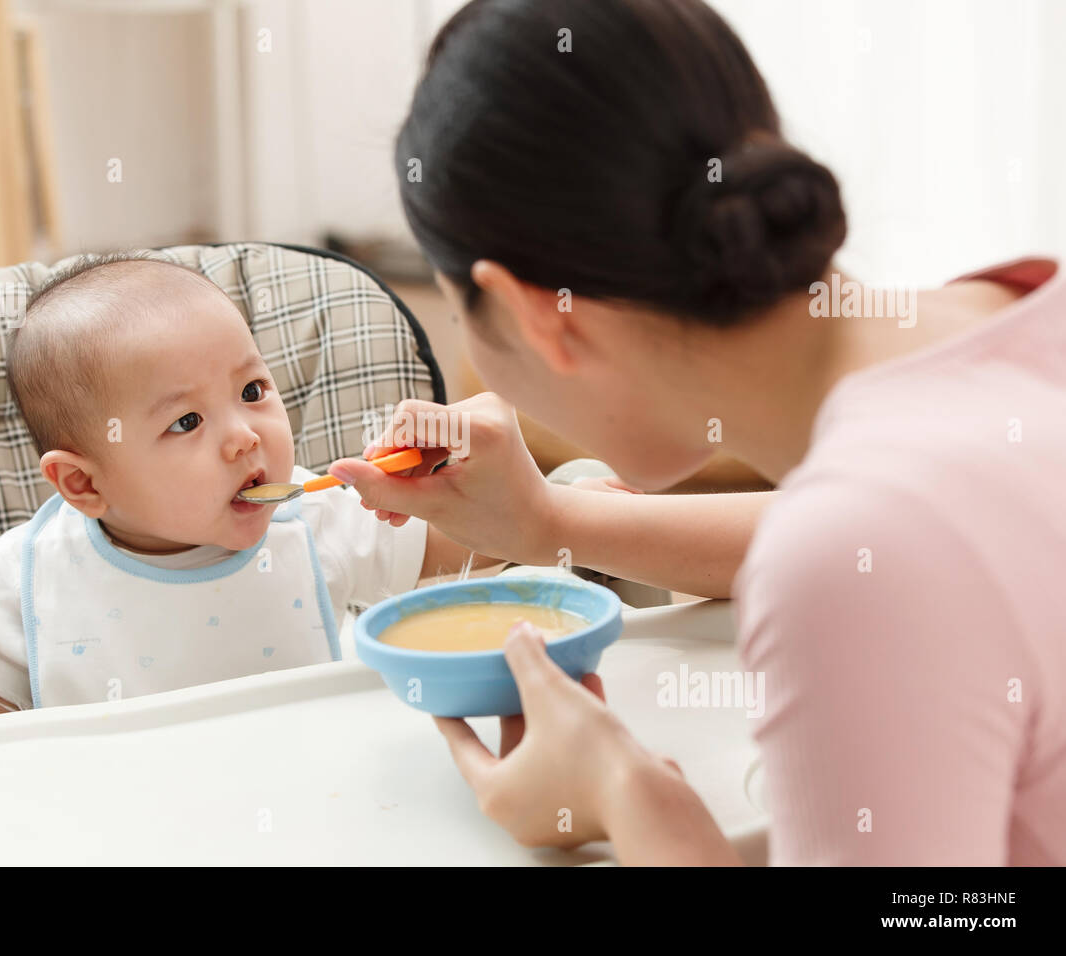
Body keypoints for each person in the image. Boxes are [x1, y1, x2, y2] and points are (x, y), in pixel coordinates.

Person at [327, 0, 1065, 864]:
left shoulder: (854, 547)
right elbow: (930, 537)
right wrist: (549, 525)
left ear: (539, 317)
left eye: (464, 319)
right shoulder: (1017, 312)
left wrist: (624, 796)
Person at [0, 255, 499, 712]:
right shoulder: (29, 574)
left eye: (253, 389)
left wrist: (557, 509)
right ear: (84, 484)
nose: (244, 435)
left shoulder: (310, 520)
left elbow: (458, 549)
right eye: (186, 421)